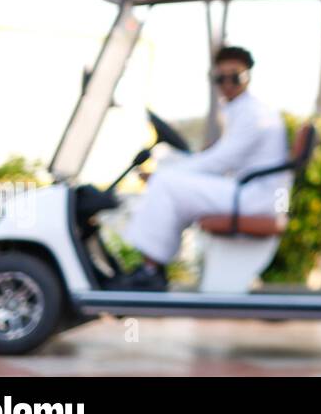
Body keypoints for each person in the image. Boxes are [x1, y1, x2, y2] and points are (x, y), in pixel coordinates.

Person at [121, 46, 290, 290]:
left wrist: (166, 173)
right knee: (170, 183)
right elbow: (217, 159)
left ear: (248, 77)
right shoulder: (243, 111)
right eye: (220, 78)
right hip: (250, 191)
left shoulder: (254, 114)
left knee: (167, 185)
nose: (227, 83)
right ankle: (152, 268)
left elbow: (221, 161)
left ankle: (150, 272)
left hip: (255, 197)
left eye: (235, 77)